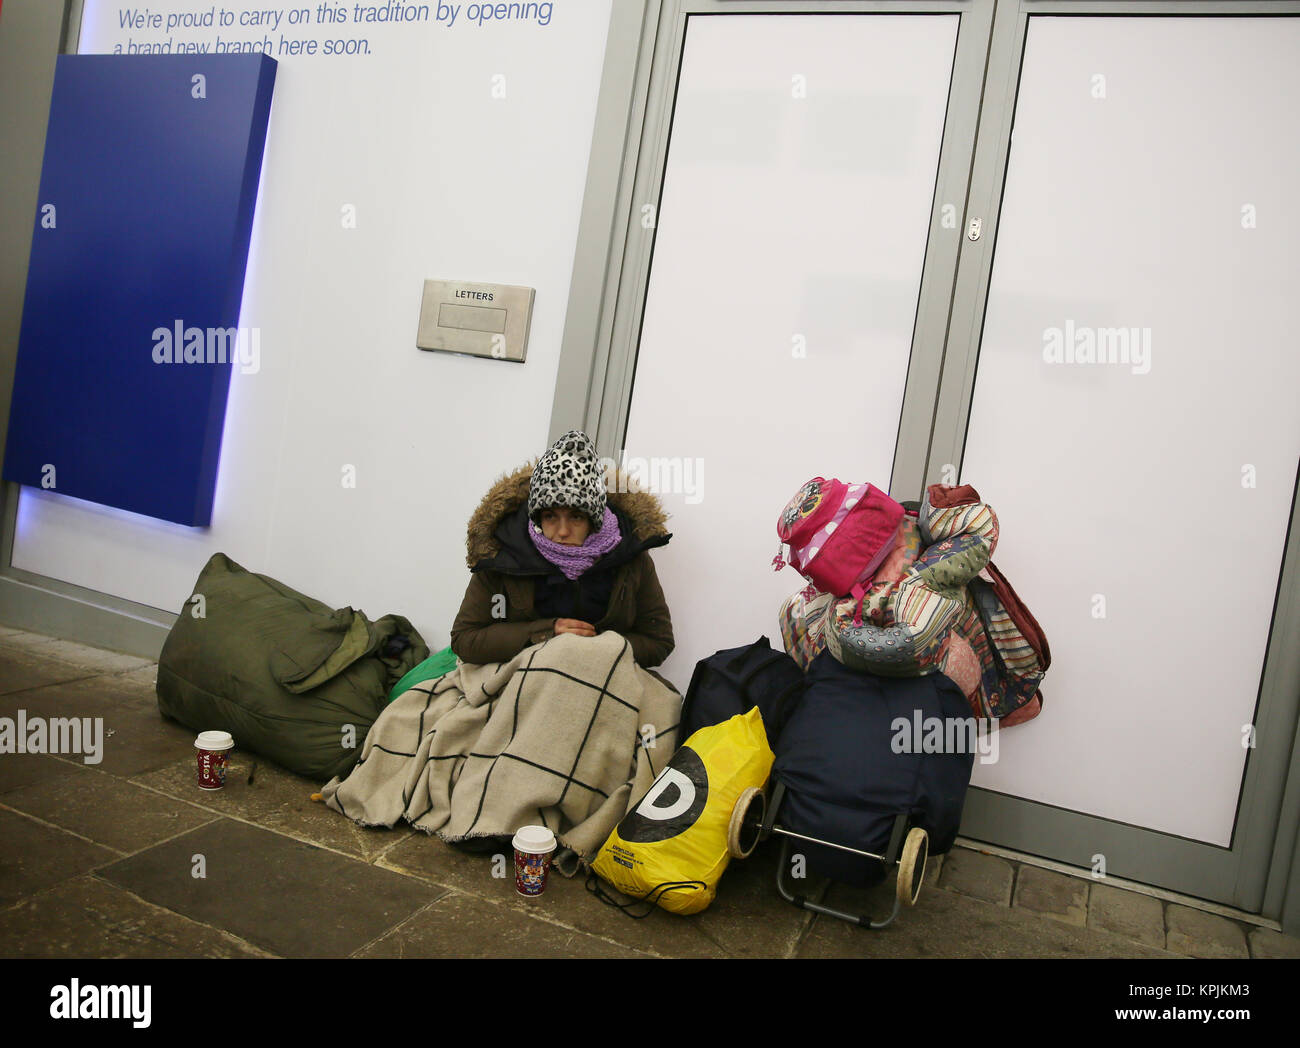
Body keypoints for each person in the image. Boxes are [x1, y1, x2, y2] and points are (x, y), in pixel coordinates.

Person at [450, 429, 675, 668]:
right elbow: (465, 639)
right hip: (519, 677)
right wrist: (546, 633)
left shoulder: (631, 557)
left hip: (603, 677)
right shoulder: (502, 555)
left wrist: (595, 646)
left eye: (576, 517)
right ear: (537, 518)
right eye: (550, 516)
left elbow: (659, 642)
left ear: (594, 520)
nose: (563, 531)